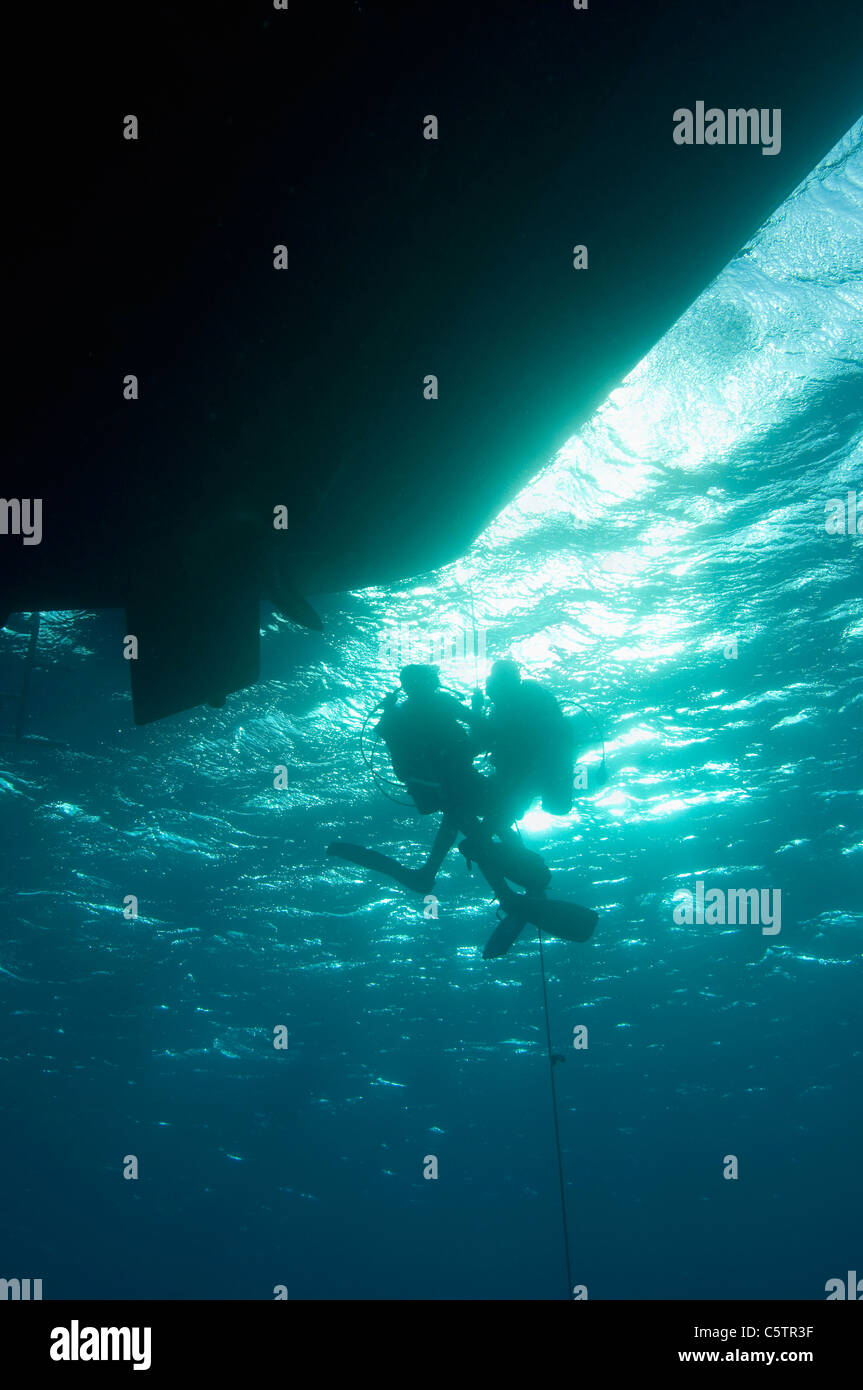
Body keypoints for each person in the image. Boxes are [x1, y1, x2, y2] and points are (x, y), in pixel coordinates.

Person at [473, 657, 575, 828]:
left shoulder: (515, 704)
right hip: (538, 769)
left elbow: (480, 742)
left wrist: (476, 709)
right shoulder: (523, 700)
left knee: (507, 808)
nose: (490, 688)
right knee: (506, 809)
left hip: (529, 769)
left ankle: (484, 840)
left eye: (494, 682)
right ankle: (486, 840)